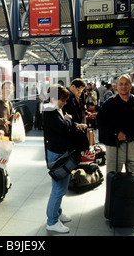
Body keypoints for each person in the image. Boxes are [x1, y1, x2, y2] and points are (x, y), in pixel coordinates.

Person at [97, 74, 134, 180]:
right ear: (116, 86)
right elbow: (101, 123)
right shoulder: (109, 104)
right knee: (113, 180)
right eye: (121, 84)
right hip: (114, 147)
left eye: (126, 84)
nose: (123, 86)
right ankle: (114, 197)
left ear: (130, 86)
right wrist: (115, 134)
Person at [43, 84, 75, 233]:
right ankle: (52, 221)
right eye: (63, 100)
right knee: (58, 188)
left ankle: (57, 213)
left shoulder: (53, 108)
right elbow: (62, 127)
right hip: (57, 153)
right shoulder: (50, 111)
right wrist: (68, 119)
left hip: (58, 151)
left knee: (61, 187)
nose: (65, 103)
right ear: (55, 98)